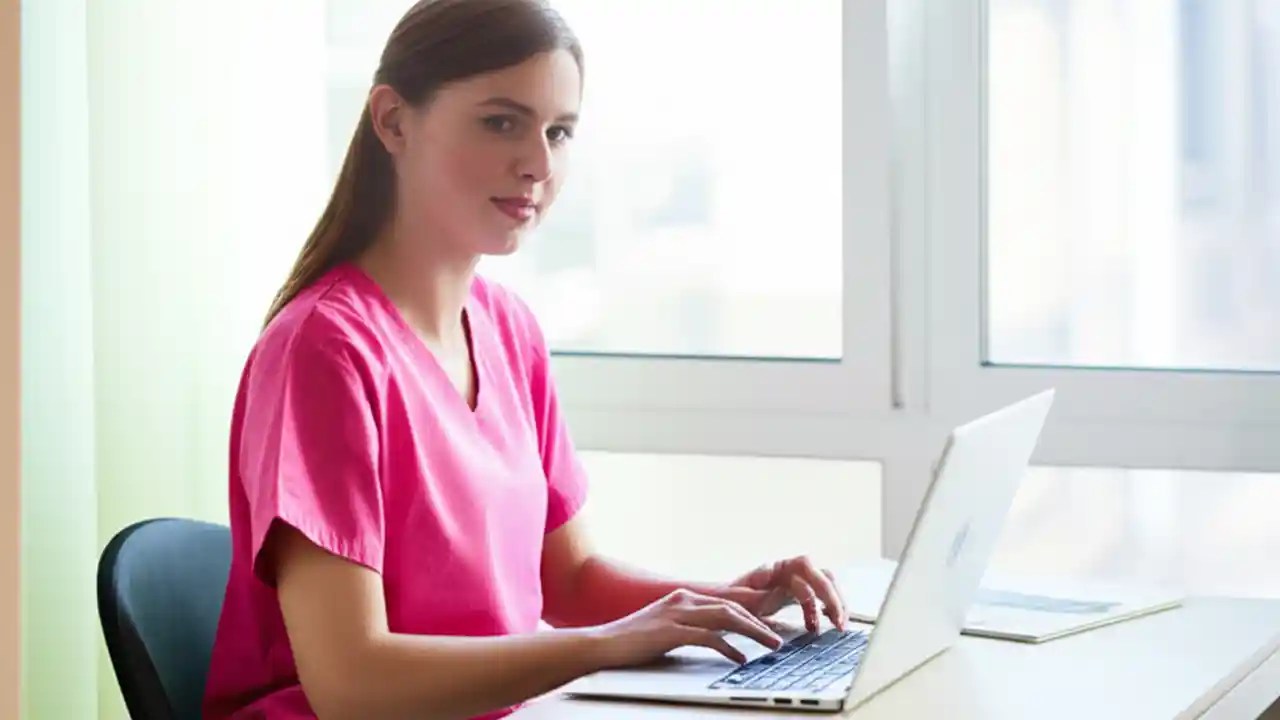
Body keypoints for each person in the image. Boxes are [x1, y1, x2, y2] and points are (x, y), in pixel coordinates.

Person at [202, 1, 846, 718]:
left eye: (559, 131)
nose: (539, 163)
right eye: (500, 122)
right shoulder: (323, 351)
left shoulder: (509, 329)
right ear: (393, 121)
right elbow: (352, 683)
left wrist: (730, 605)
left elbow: (567, 581)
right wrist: (605, 645)